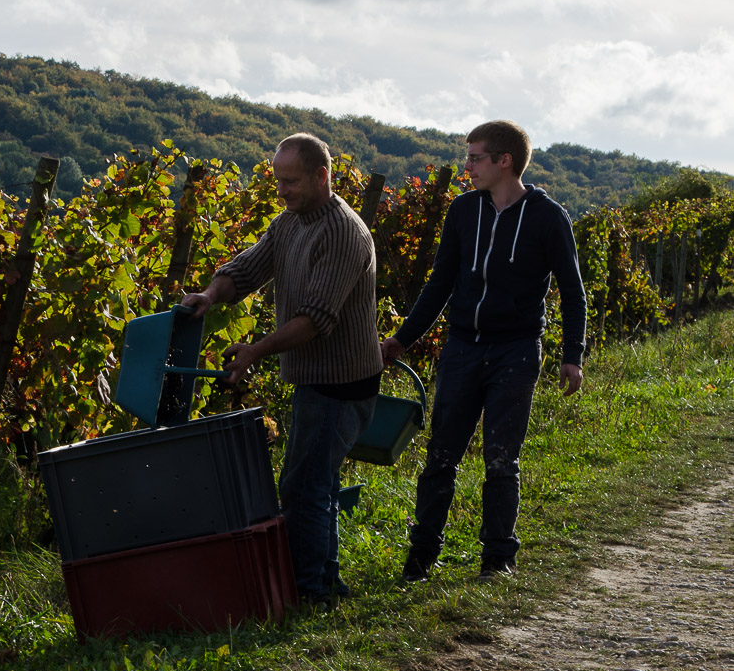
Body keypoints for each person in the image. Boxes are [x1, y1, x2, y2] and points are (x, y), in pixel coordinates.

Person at [182, 132, 383, 610]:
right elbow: (246, 269)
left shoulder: (343, 233)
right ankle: (325, 583)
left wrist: (255, 350)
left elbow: (316, 320)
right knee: (318, 481)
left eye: (291, 181)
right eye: (277, 180)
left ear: (321, 176)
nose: (282, 190)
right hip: (315, 377)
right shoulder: (289, 223)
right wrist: (210, 297)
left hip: (341, 382)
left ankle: (310, 592)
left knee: (304, 486)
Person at [380, 119, 587, 582]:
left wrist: (572, 354)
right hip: (462, 349)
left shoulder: (548, 217)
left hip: (516, 351)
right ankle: (420, 558)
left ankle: (497, 561)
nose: (466, 166)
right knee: (440, 456)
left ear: (504, 161)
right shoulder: (462, 212)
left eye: (474, 157)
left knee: (500, 458)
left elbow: (573, 292)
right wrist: (402, 339)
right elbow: (439, 284)